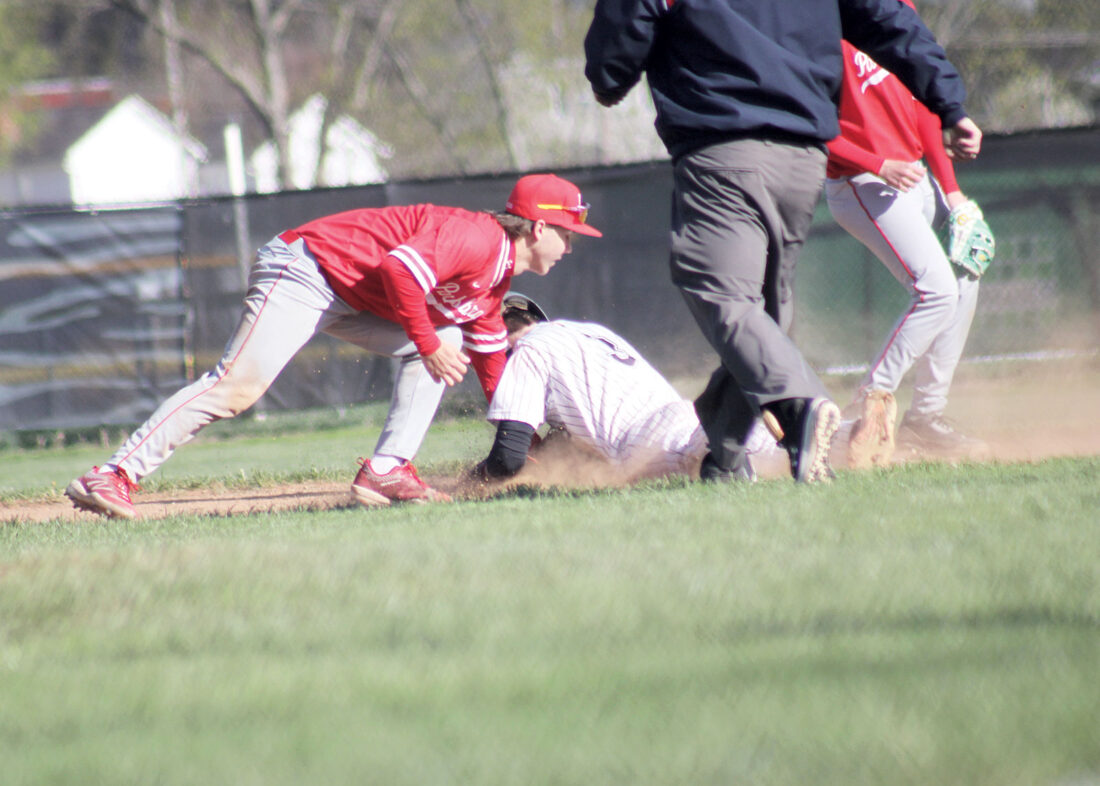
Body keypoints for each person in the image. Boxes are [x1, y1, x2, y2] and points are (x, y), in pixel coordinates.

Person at [584, 0, 983, 484]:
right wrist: (949, 101)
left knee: (722, 295)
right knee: (765, 312)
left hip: (723, 144)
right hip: (804, 157)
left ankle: (803, 408)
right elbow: (889, 18)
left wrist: (609, 76)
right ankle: (726, 458)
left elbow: (621, 40)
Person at [64, 174, 602, 519]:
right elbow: (398, 270)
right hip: (307, 269)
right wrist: (425, 340)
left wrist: (524, 438)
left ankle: (387, 469)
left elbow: (494, 375)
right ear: (535, 227)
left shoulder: (493, 287)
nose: (570, 245)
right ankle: (111, 475)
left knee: (448, 337)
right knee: (237, 390)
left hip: (349, 294)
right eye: (567, 232)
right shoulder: (477, 238)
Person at [825, 4, 991, 467]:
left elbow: (919, 108)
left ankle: (926, 421)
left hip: (914, 173)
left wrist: (953, 194)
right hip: (862, 181)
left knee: (965, 269)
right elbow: (808, 127)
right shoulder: (813, 22)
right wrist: (876, 164)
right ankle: (865, 409)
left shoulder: (897, 12)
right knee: (935, 290)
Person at [472, 294, 780, 484]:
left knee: (706, 454)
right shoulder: (587, 331)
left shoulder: (526, 352)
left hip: (643, 440)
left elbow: (507, 459)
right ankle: (803, 440)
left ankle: (730, 463)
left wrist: (469, 481)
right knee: (769, 449)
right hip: (681, 413)